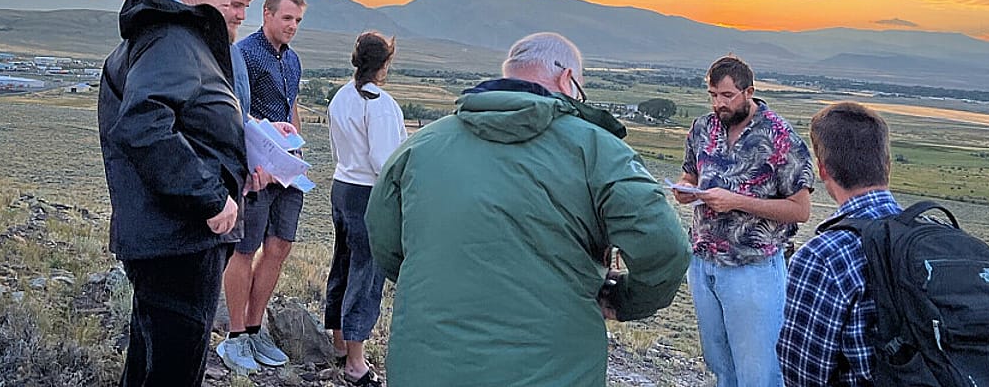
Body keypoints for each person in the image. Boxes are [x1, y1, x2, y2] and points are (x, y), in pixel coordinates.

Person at [365, 32, 690, 387]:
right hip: (555, 366)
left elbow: (384, 242)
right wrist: (624, 300)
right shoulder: (599, 151)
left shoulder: (419, 147)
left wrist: (441, 279)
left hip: (428, 363)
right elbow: (665, 249)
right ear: (567, 79)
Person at [98, 0, 251, 387]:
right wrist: (211, 198)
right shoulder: (171, 40)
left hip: (167, 237)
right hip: (179, 239)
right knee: (172, 372)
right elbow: (143, 123)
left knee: (151, 365)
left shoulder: (169, 39)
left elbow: (185, 124)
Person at [673, 55, 814, 387]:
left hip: (753, 269)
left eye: (727, 96)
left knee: (758, 372)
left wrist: (735, 201)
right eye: (712, 95)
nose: (718, 104)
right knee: (719, 365)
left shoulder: (779, 136)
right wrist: (685, 190)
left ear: (748, 92)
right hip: (704, 262)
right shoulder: (702, 128)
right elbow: (690, 174)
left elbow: (800, 209)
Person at [775, 101, 902, 386]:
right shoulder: (935, 236)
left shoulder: (824, 257)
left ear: (822, 170)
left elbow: (802, 373)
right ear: (887, 165)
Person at [223, 0, 307, 367]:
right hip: (256, 169)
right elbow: (236, 113)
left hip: (288, 170)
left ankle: (255, 331)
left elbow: (291, 109)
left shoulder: (293, 61)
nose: (292, 26)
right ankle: (235, 335)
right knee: (244, 248)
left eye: (298, 21)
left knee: (279, 247)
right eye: (287, 18)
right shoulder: (244, 56)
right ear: (268, 15)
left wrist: (296, 148)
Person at [324, 32, 407, 386]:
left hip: (342, 185)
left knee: (342, 263)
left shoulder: (341, 97)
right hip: (369, 192)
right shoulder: (380, 103)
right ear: (385, 63)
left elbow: (334, 148)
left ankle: (340, 343)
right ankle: (356, 364)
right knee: (367, 273)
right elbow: (383, 159)